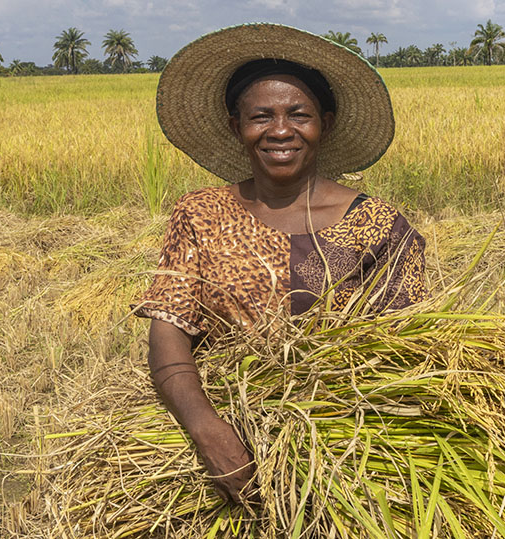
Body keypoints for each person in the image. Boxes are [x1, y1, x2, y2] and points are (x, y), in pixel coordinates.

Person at [132, 23, 426, 506]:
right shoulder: (201, 214)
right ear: (236, 127)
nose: (280, 130)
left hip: (349, 442)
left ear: (325, 125)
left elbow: (405, 349)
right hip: (227, 417)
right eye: (261, 116)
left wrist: (328, 443)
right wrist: (208, 432)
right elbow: (168, 330)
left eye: (299, 114)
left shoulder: (379, 226)